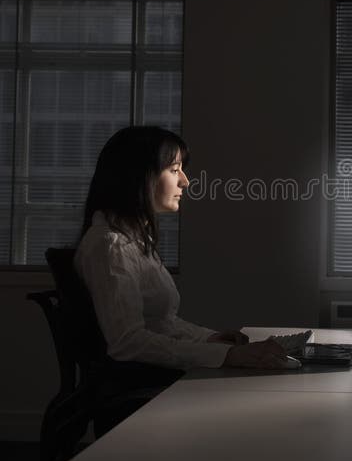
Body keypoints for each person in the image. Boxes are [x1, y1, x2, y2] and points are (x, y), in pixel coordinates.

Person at [74, 125, 288, 371]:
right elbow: (128, 342)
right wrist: (225, 356)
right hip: (142, 378)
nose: (185, 181)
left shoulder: (132, 241)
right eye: (175, 170)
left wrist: (209, 339)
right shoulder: (110, 246)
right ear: (140, 176)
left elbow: (160, 323)